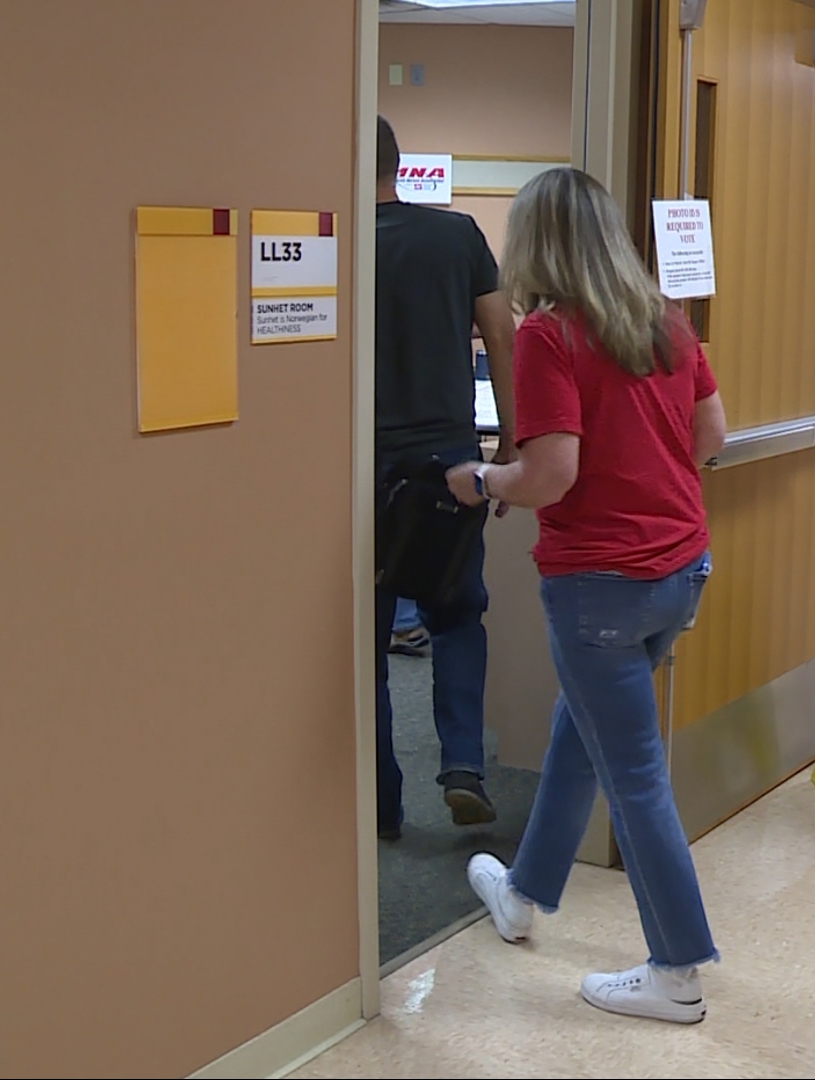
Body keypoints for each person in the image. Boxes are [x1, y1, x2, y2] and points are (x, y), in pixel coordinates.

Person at [445, 167, 727, 1024]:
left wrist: (483, 481)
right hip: (680, 571)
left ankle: (676, 972)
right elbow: (711, 434)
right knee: (586, 730)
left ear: (536, 241)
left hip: (599, 585)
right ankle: (524, 896)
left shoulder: (549, 335)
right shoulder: (664, 323)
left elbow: (552, 473)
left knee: (635, 776)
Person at [374, 116, 517, 840]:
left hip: (361, 469)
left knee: (362, 639)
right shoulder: (458, 236)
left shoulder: (329, 246)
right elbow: (501, 335)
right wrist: (512, 445)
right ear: (399, 167)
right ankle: (462, 766)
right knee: (458, 618)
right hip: (451, 466)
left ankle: (381, 804)